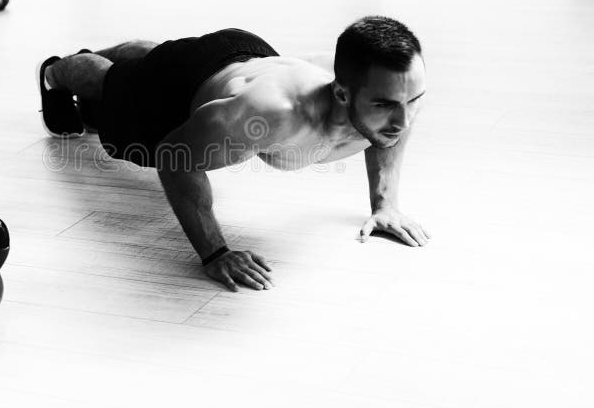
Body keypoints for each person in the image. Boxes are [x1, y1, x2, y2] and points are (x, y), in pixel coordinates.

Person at [36, 16, 429, 292]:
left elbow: (388, 137)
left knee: (156, 61)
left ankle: (149, 57)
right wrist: (215, 252)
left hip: (242, 60)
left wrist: (384, 204)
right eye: (386, 106)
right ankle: (55, 73)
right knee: (114, 85)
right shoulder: (272, 113)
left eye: (413, 101)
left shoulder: (397, 93)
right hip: (194, 89)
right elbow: (175, 155)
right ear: (342, 93)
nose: (404, 117)